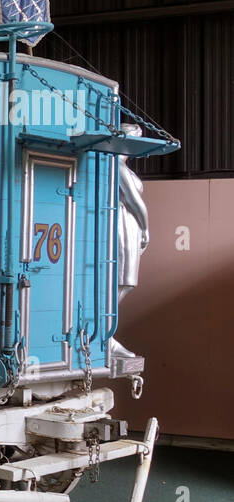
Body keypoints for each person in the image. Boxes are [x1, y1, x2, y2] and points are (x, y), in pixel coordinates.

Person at [111, 123, 149, 358]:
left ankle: (107, 335)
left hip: (130, 225)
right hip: (124, 224)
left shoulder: (124, 168)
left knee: (125, 283)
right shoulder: (117, 167)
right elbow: (135, 202)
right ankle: (106, 337)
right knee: (122, 282)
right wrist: (145, 227)